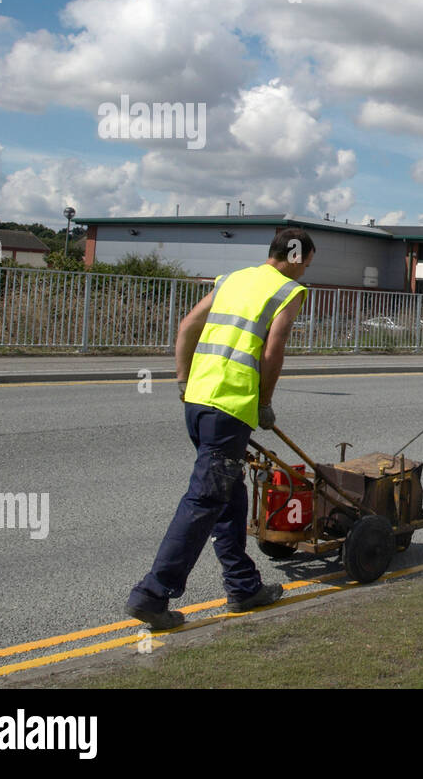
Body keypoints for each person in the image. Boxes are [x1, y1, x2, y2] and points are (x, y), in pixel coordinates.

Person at [125, 228, 315, 630]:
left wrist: (182, 379)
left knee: (228, 492)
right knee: (203, 501)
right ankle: (152, 594)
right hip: (229, 408)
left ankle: (244, 586)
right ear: (297, 258)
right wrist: (264, 402)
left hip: (197, 400)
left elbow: (187, 325)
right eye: (307, 263)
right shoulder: (287, 291)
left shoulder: (232, 278)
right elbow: (272, 350)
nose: (304, 272)